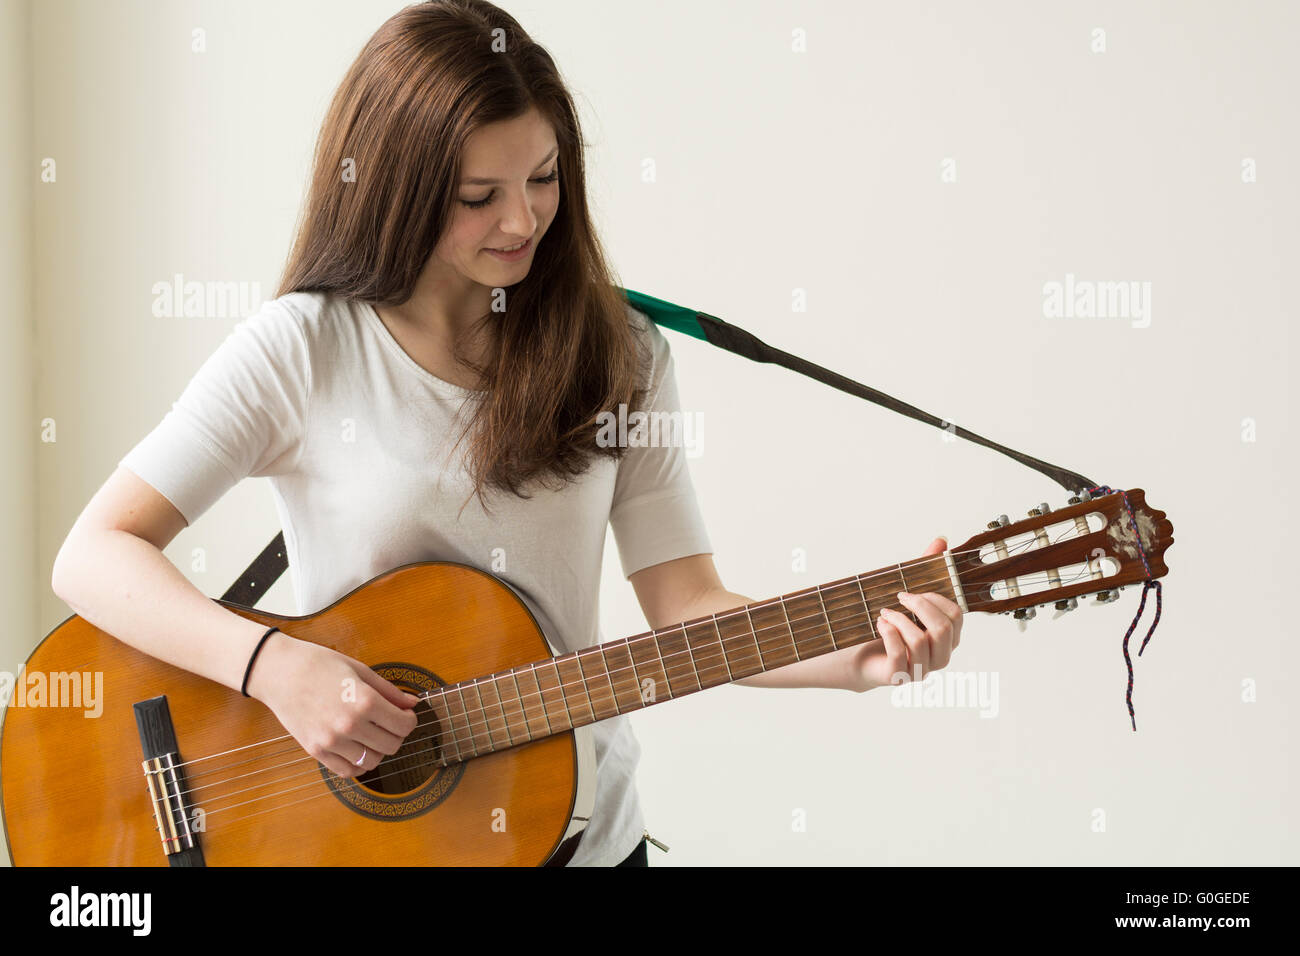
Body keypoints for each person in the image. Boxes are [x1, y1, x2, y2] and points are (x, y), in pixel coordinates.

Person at [51, 0, 963, 867]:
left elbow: (687, 608)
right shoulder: (305, 349)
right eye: (478, 195)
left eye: (543, 178)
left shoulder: (622, 353)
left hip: (589, 842)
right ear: (395, 191)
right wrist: (272, 668)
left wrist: (850, 659)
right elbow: (92, 554)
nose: (523, 220)